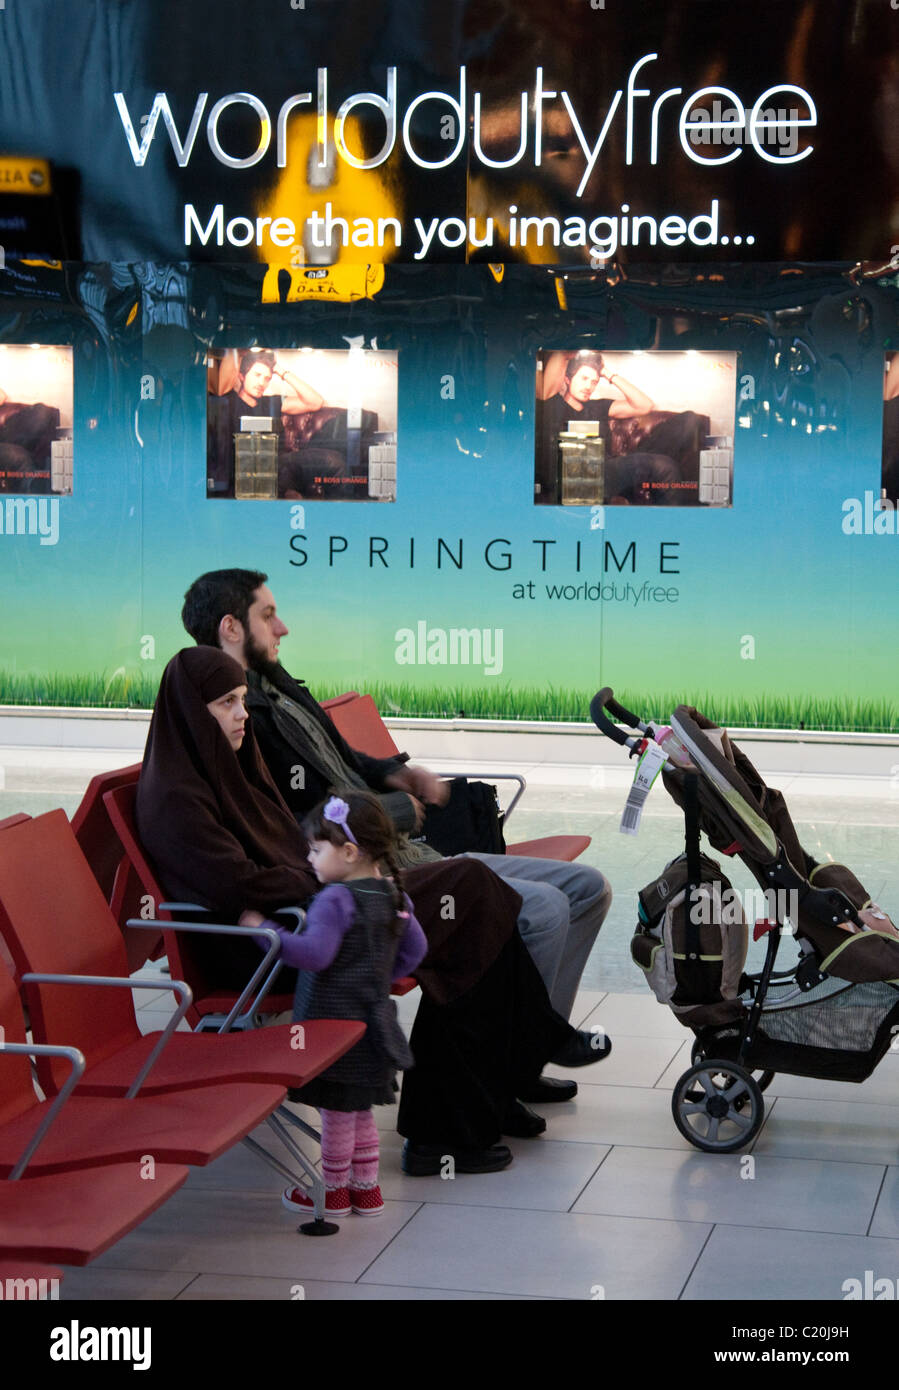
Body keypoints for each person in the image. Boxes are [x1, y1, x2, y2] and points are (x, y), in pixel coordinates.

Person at [136, 646, 603, 1176]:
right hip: (277, 944)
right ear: (192, 711)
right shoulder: (175, 798)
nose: (242, 714)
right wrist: (326, 875)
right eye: (226, 703)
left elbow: (286, 849)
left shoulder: (230, 766)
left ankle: (467, 1111)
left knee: (474, 905)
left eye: (243, 699)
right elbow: (238, 884)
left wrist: (336, 871)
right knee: (472, 893)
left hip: (323, 910)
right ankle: (470, 1103)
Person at [180, 568, 614, 1105]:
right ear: (230, 628)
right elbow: (300, 827)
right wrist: (392, 812)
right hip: (365, 873)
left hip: (397, 854)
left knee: (588, 889)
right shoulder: (241, 722)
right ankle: (510, 1065)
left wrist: (396, 774)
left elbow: (343, 760)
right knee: (542, 908)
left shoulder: (278, 687)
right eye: (268, 615)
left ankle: (525, 1050)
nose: (283, 627)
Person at [240, 791, 428, 1218]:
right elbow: (416, 949)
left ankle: (333, 1193)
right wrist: (380, 974)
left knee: (337, 1116)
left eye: (316, 849)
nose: (309, 858)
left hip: (330, 1028)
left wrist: (264, 931)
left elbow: (314, 955)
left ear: (348, 851)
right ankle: (367, 1190)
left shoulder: (335, 900)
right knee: (358, 1109)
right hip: (373, 1021)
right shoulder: (395, 894)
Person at [535, 350, 696, 505]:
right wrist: (570, 354)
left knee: (688, 420)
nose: (588, 386)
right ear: (567, 380)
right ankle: (673, 526)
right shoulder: (553, 405)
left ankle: (644, 470)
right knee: (665, 466)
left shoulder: (598, 406)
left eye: (594, 382)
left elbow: (645, 406)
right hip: (588, 474)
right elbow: (557, 361)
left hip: (613, 469)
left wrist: (606, 373)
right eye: (584, 378)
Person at [206, 349, 325, 497]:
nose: (262, 382)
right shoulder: (228, 401)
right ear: (242, 376)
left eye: (267, 378)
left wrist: (281, 372)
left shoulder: (272, 402)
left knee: (333, 462)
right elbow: (220, 385)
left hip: (274, 473)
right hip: (239, 477)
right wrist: (242, 352)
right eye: (257, 375)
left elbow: (316, 402)